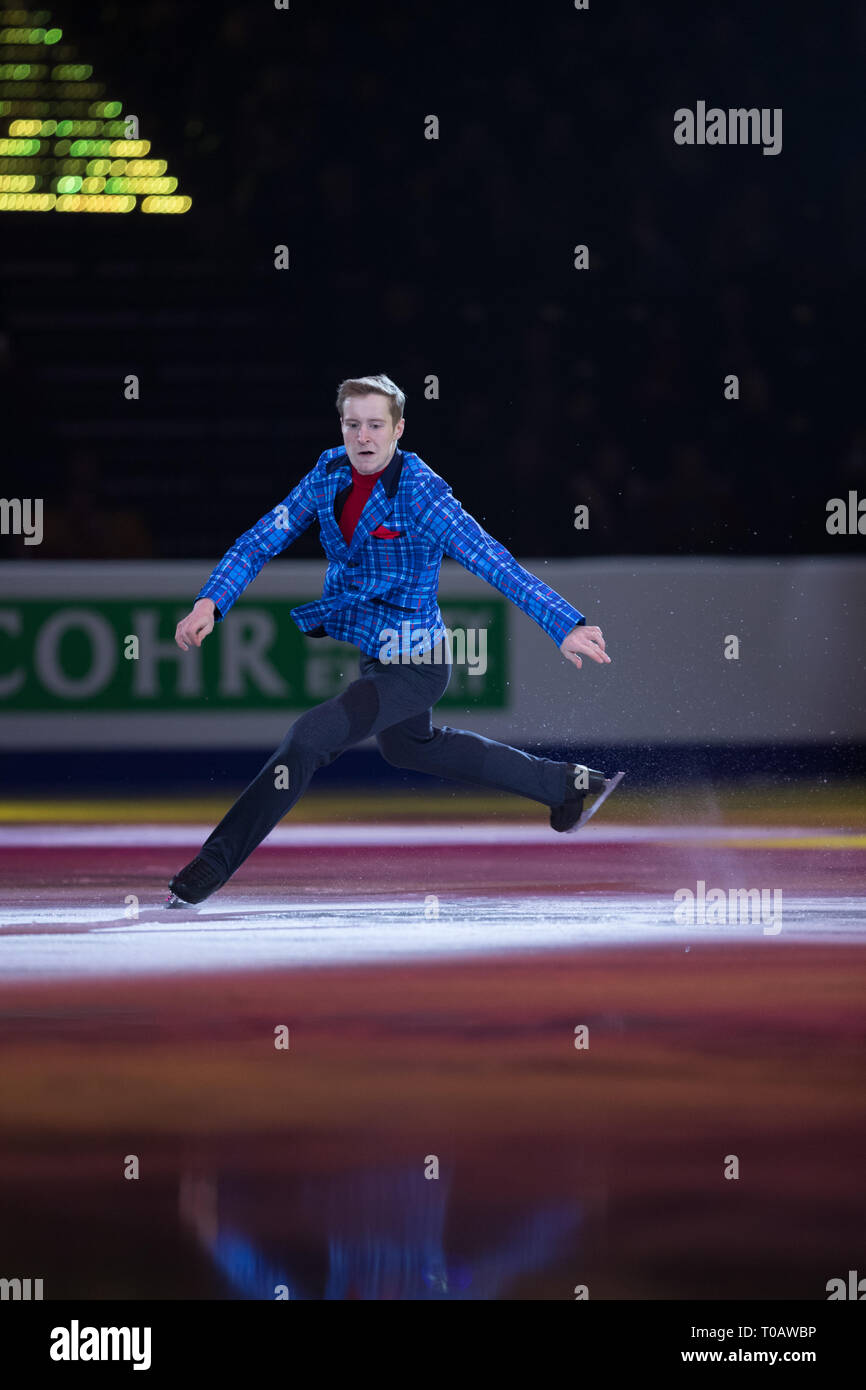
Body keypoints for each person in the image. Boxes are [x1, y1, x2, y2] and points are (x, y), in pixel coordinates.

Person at [166, 373, 621, 906]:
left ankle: (213, 864)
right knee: (411, 749)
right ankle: (568, 786)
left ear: (398, 429)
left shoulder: (423, 494)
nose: (362, 437)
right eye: (352, 424)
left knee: (307, 739)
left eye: (375, 425)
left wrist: (562, 622)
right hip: (375, 654)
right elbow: (259, 540)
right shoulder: (327, 473)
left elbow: (490, 558)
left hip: (418, 663)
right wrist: (211, 601)